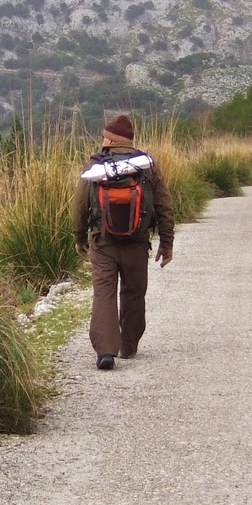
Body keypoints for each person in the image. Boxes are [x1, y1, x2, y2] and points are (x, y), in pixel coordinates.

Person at [73, 114, 174, 371]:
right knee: (134, 291)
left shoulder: (95, 166)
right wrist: (166, 243)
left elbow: (79, 205)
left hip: (103, 242)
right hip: (137, 242)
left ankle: (106, 351)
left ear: (109, 139)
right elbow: (163, 204)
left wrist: (79, 237)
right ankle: (128, 346)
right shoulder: (147, 165)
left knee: (104, 293)